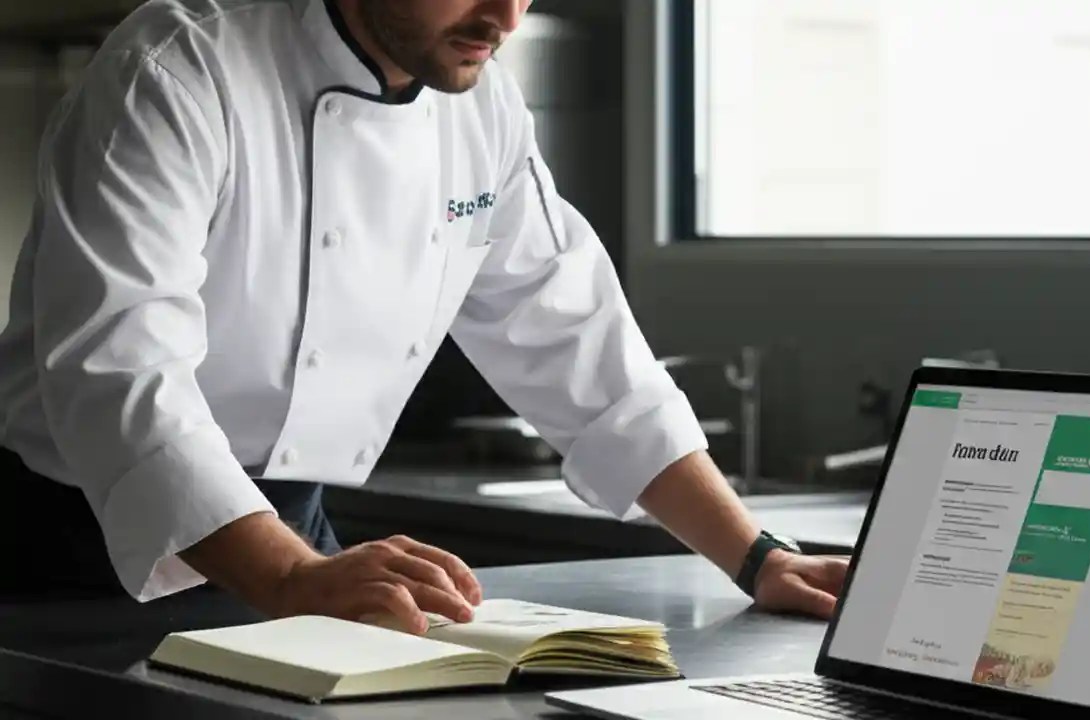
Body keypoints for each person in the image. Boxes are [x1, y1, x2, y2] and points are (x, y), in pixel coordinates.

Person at [0, 0, 850, 633]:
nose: (506, 16)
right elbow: (117, 367)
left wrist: (758, 556)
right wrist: (291, 578)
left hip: (298, 546)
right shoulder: (178, 70)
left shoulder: (481, 107)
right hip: (75, 554)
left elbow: (580, 345)